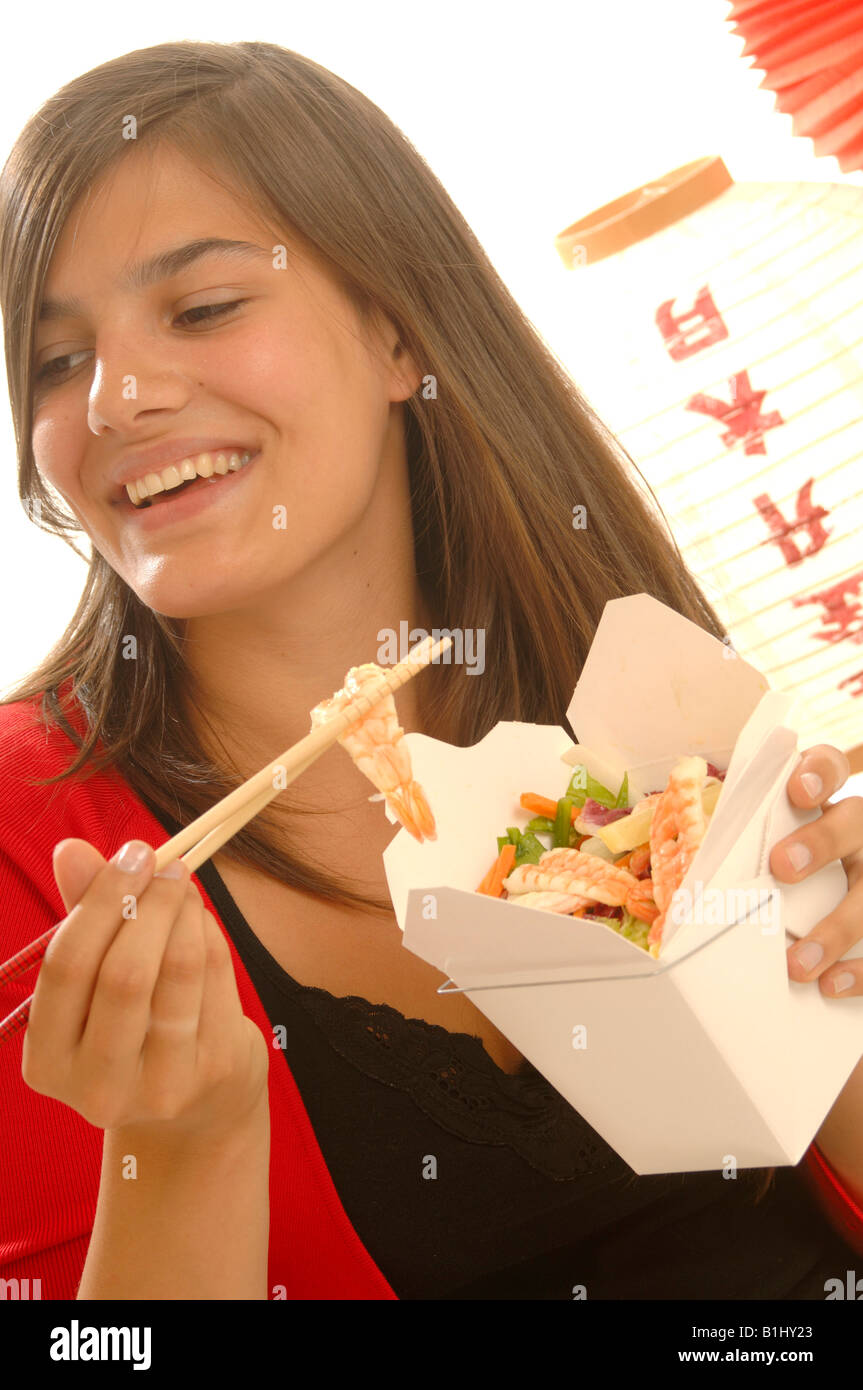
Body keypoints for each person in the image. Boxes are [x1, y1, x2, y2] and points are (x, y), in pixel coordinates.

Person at [0, 39, 861, 1301]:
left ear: (397, 332)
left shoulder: (635, 704)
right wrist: (180, 1150)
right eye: (56, 361)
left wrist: (831, 1000)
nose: (116, 399)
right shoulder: (33, 846)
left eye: (203, 308)